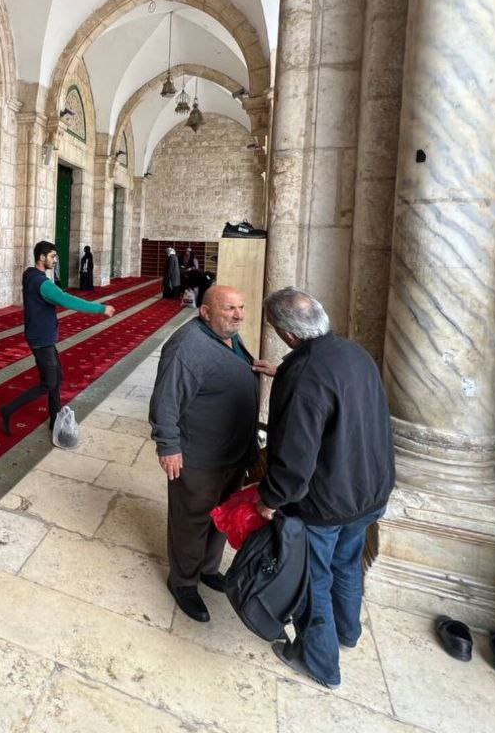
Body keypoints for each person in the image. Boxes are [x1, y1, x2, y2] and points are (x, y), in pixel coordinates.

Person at [253, 287, 396, 689]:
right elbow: (336, 395)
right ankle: (347, 632)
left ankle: (319, 663)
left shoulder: (303, 375)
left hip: (327, 502)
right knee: (347, 563)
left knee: (312, 578)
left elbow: (295, 456)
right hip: (369, 491)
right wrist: (285, 373)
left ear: (287, 333)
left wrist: (271, 499)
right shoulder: (353, 353)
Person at [149, 285, 259, 623]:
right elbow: (165, 402)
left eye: (241, 307)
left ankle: (208, 569)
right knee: (191, 521)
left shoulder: (228, 336)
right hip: (199, 457)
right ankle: (183, 581)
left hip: (232, 453)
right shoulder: (187, 346)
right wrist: (168, 446)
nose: (238, 315)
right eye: (230, 309)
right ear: (206, 312)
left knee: (221, 516)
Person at [0, 240, 116, 442]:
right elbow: (66, 300)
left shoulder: (31, 275)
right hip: (41, 338)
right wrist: (100, 309)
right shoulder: (41, 283)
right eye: (52, 256)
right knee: (49, 383)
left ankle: (55, 421)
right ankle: (7, 410)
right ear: (41, 257)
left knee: (56, 379)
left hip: (42, 336)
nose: (55, 260)